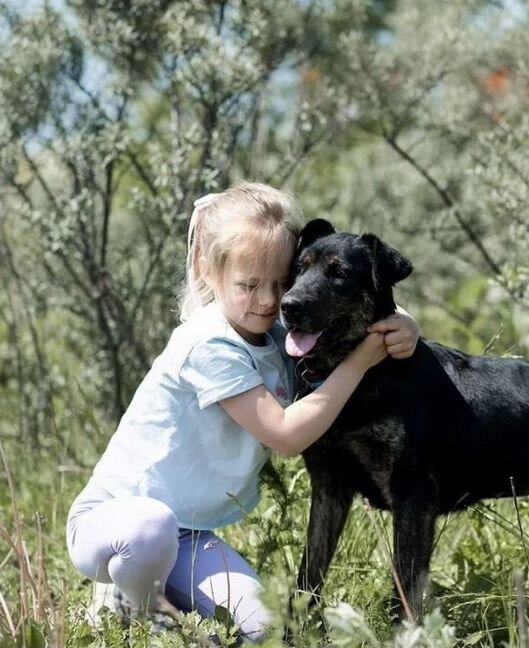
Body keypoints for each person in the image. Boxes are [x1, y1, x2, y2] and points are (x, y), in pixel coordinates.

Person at [66, 183, 419, 642]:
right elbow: (287, 436)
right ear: (209, 273)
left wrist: (406, 322)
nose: (271, 302)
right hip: (114, 524)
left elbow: (364, 292)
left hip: (189, 538)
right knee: (149, 528)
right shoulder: (207, 344)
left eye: (282, 284)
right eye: (250, 286)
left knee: (262, 630)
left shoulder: (272, 332)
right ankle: (132, 607)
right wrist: (360, 361)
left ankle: (163, 598)